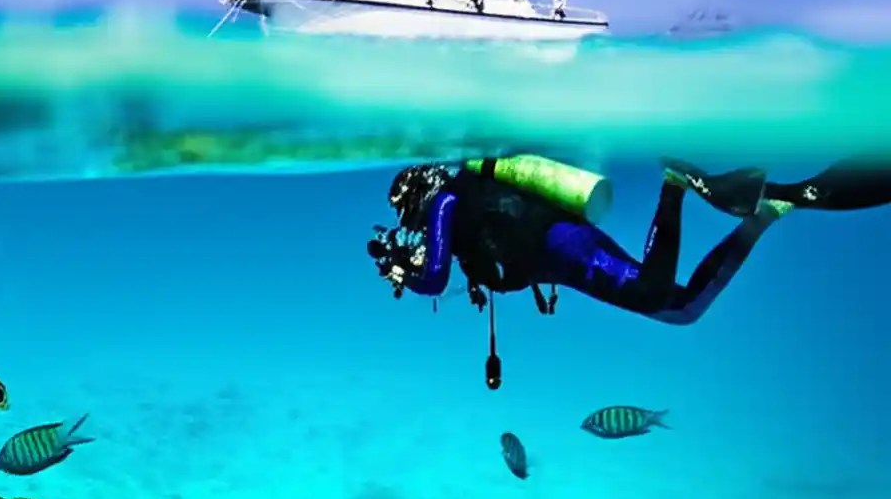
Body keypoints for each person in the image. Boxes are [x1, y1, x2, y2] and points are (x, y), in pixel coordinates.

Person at [367, 155, 891, 326]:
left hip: (564, 250)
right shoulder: (463, 197)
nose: (409, 218)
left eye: (405, 207)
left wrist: (400, 271)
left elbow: (434, 275)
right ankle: (769, 212)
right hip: (563, 251)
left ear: (418, 190)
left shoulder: (445, 202)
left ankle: (674, 184)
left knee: (650, 291)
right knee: (679, 308)